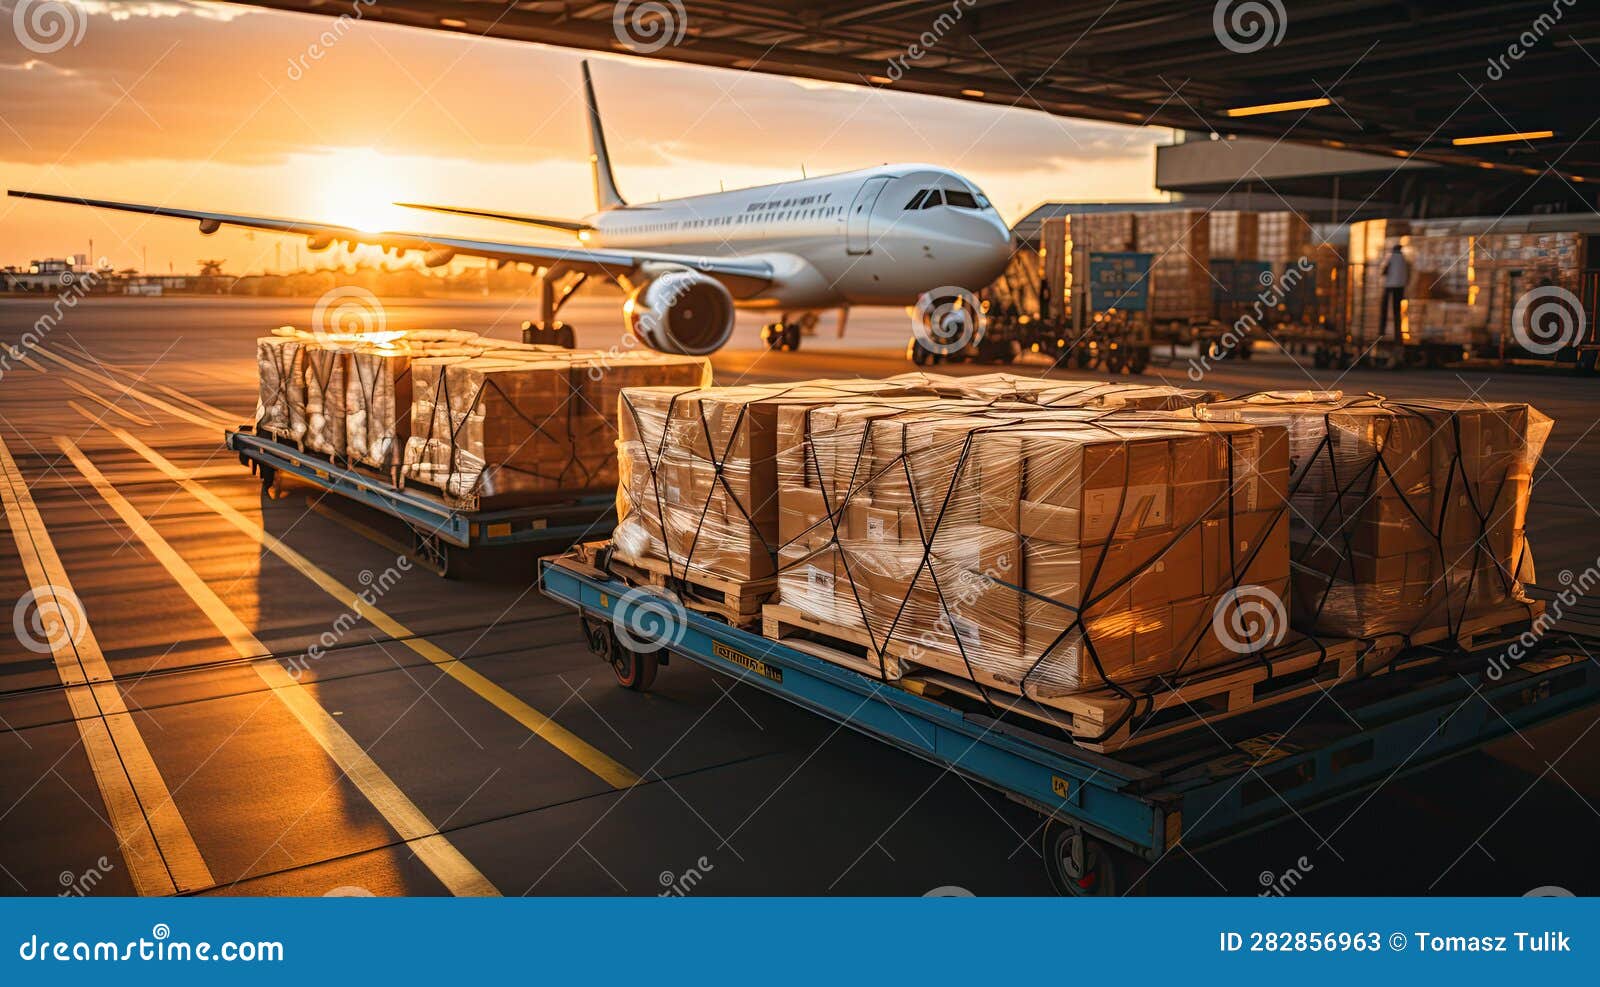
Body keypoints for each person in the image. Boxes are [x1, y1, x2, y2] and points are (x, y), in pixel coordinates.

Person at [1378, 244, 1408, 341]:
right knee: (1397, 310)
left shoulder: (1390, 257)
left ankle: (1382, 330)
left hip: (1389, 285)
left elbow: (1384, 271)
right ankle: (1397, 332)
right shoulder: (1404, 260)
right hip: (1400, 286)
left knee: (1384, 308)